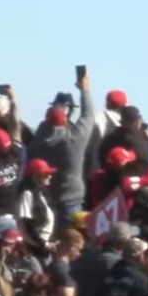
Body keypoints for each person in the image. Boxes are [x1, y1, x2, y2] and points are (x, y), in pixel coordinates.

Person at [29, 68, 96, 229]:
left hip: (43, 200)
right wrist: (85, 89)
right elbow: (88, 114)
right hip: (71, 201)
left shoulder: (37, 141)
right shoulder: (74, 139)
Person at [18, 158, 58, 255]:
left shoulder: (42, 193)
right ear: (35, 177)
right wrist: (43, 244)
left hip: (46, 246)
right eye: (46, 174)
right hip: (34, 249)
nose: (50, 176)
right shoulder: (27, 194)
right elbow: (26, 225)